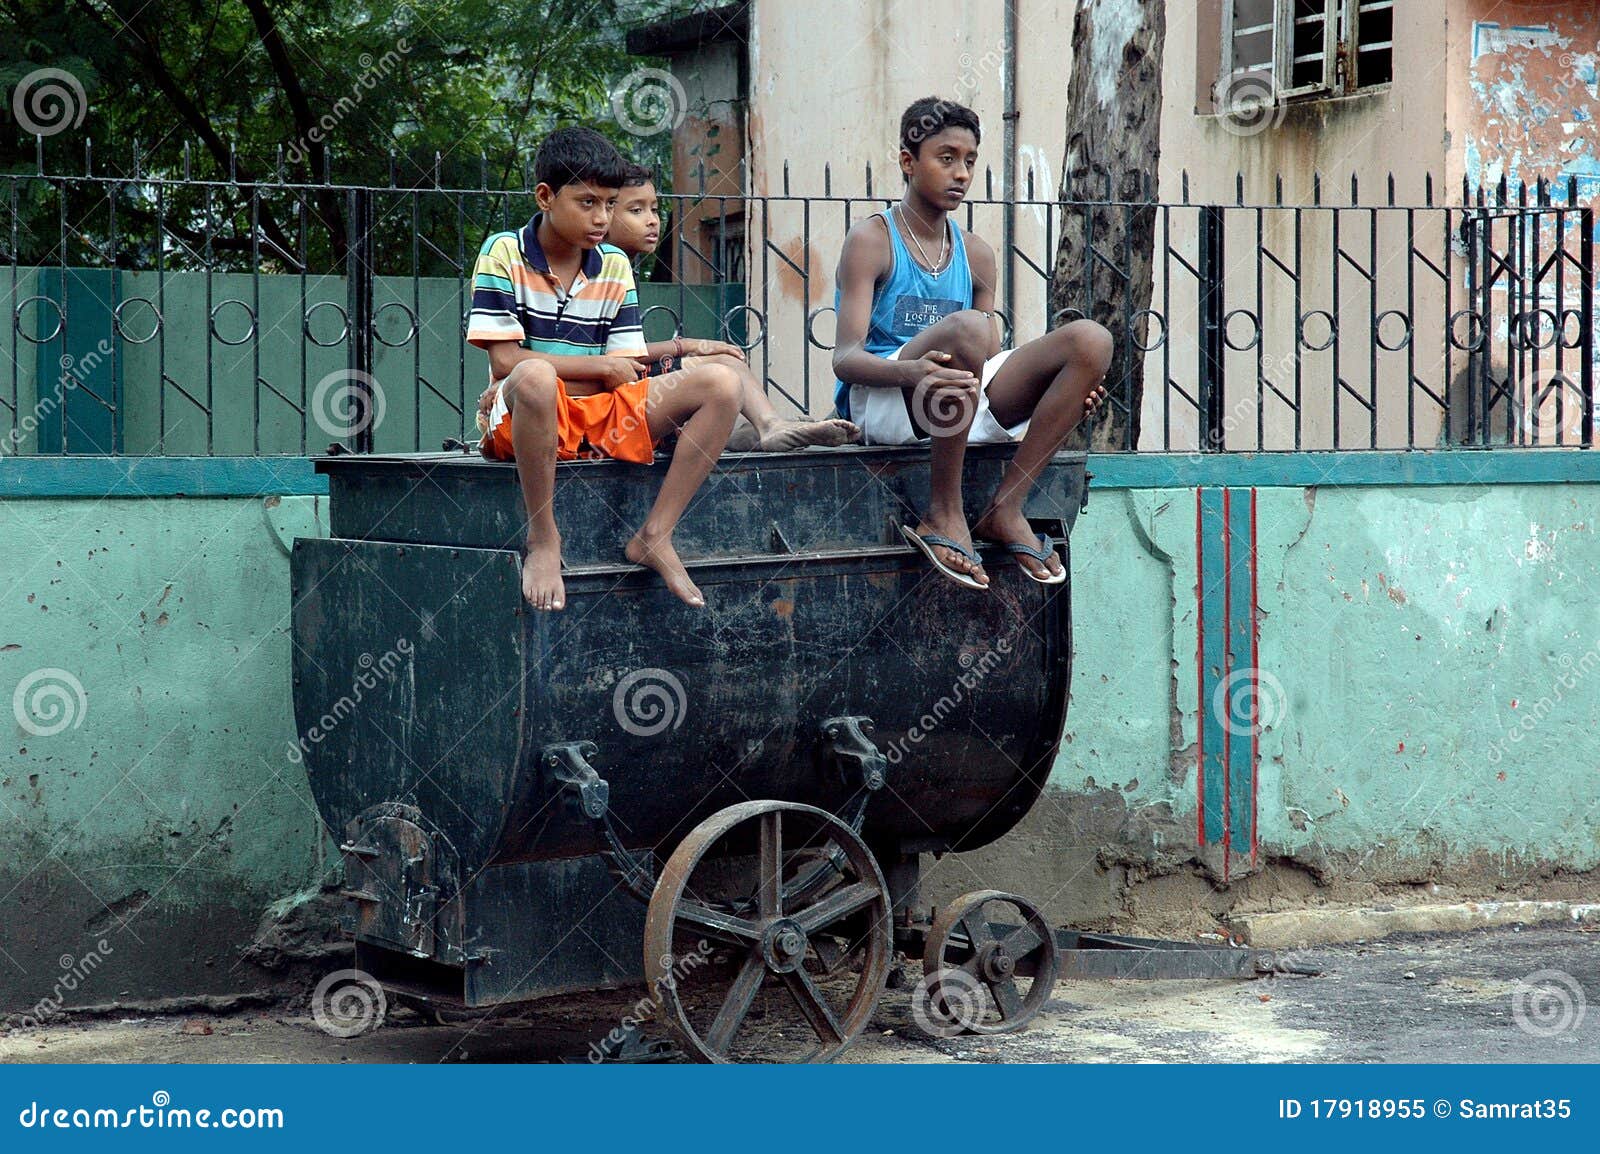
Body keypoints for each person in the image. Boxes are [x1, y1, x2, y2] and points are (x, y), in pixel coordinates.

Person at [832, 97, 1114, 589]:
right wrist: (911, 372)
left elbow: (985, 360)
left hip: (957, 397)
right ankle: (944, 511)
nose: (960, 173)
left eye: (969, 161)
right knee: (968, 329)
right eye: (946, 158)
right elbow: (845, 359)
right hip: (884, 398)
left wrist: (1063, 392)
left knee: (1091, 342)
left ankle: (1005, 509)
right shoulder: (872, 240)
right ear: (908, 162)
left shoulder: (978, 255)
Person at [469, 126, 740, 611]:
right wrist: (597, 369)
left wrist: (600, 372)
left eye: (611, 204)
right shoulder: (502, 252)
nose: (602, 217)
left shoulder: (614, 262)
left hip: (598, 418)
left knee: (721, 379)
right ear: (546, 197)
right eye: (588, 202)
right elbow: (508, 363)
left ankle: (656, 534)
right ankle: (545, 540)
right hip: (524, 421)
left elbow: (627, 370)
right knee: (533, 379)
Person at [605, 163, 860, 452]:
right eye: (636, 211)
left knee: (724, 368)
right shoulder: (607, 264)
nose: (652, 221)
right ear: (604, 212)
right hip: (610, 391)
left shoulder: (616, 264)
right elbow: (620, 355)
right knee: (724, 364)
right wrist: (690, 345)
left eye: (654, 209)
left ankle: (751, 434)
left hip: (627, 383)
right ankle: (768, 427)